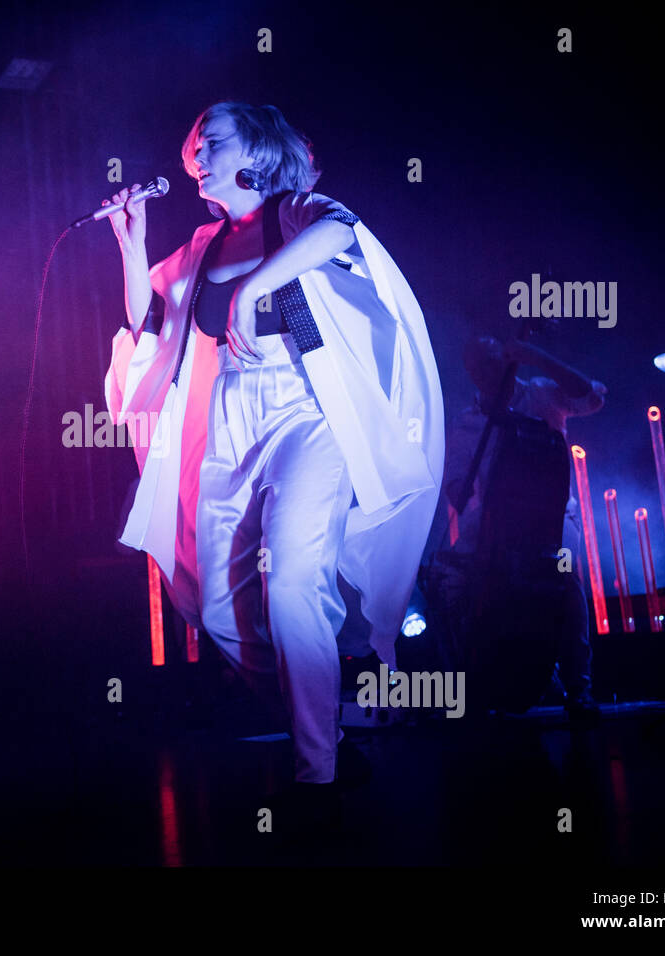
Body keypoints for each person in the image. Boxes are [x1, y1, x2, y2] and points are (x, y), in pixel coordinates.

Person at [102, 102, 444, 810]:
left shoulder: (297, 210)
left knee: (291, 581)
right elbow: (151, 322)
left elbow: (340, 231)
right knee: (220, 609)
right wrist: (130, 244)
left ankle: (316, 770)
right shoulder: (200, 245)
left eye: (213, 141)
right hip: (229, 412)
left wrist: (258, 284)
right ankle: (324, 721)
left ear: (254, 147)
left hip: (306, 406)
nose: (195, 154)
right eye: (191, 144)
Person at [442, 335, 605, 724]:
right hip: (493, 521)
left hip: (551, 519)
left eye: (494, 361)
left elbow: (593, 397)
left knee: (565, 579)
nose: (487, 372)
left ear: (508, 361)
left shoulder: (543, 395)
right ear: (470, 372)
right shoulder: (467, 423)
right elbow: (455, 483)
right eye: (478, 365)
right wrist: (458, 491)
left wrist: (539, 357)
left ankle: (579, 688)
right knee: (449, 583)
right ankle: (474, 681)